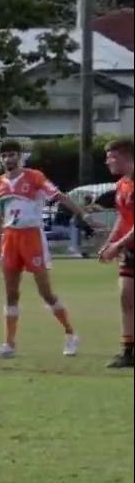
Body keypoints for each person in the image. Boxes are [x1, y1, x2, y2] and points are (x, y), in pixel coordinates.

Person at [0, 141, 87, 359]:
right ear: (0, 159)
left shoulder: (34, 177)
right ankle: (9, 344)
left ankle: (70, 334)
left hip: (32, 237)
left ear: (20, 157)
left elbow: (58, 195)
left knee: (46, 292)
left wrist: (82, 214)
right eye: (4, 156)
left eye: (12, 154)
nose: (8, 159)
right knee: (11, 294)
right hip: (9, 238)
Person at [98, 137, 134, 368]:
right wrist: (109, 243)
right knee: (126, 296)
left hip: (128, 244)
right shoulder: (121, 185)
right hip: (130, 247)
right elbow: (122, 217)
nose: (107, 161)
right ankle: (128, 351)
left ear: (124, 155)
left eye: (111, 156)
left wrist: (117, 246)